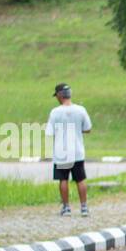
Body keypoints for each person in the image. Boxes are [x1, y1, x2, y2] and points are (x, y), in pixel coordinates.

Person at [46, 82, 92, 216]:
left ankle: (66, 207)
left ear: (60, 96)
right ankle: (84, 207)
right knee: (80, 179)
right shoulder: (80, 110)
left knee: (63, 179)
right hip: (77, 150)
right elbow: (88, 128)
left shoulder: (55, 112)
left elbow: (50, 132)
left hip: (61, 152)